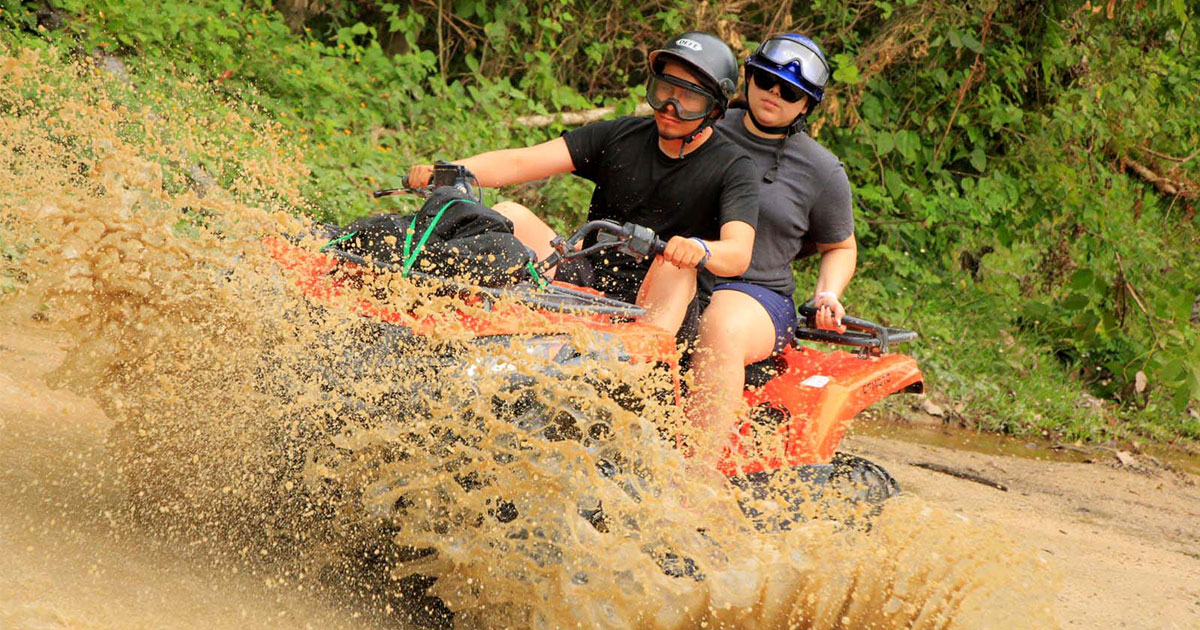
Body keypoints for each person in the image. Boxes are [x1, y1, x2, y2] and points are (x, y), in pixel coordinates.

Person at [406, 32, 759, 335]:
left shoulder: (734, 166)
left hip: (664, 299)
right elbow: (521, 161)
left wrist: (699, 248)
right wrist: (449, 172)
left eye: (688, 97)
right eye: (665, 89)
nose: (670, 105)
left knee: (676, 266)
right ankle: (452, 323)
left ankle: (636, 372)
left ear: (714, 109)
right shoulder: (621, 136)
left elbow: (739, 254)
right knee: (510, 212)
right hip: (589, 273)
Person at [687, 33, 858, 463]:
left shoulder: (821, 169)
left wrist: (828, 293)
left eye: (791, 92)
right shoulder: (702, 124)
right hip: (679, 267)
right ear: (749, 80)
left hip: (756, 293)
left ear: (806, 105)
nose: (774, 94)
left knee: (720, 326)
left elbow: (839, 246)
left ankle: (694, 475)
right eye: (765, 80)